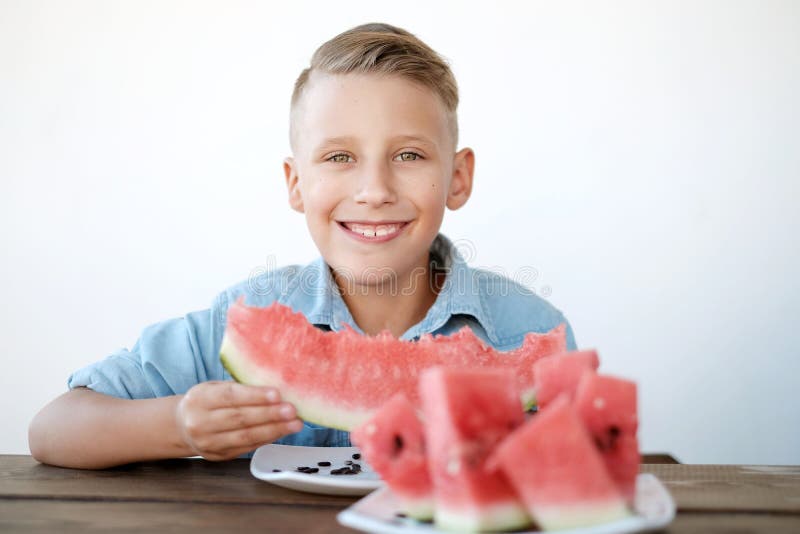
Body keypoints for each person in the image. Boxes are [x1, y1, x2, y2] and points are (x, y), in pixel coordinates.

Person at [28, 22, 577, 469]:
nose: (375, 191)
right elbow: (53, 428)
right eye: (339, 157)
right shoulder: (240, 324)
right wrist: (176, 425)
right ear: (295, 183)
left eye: (409, 156)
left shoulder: (528, 331)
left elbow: (576, 475)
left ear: (458, 177)